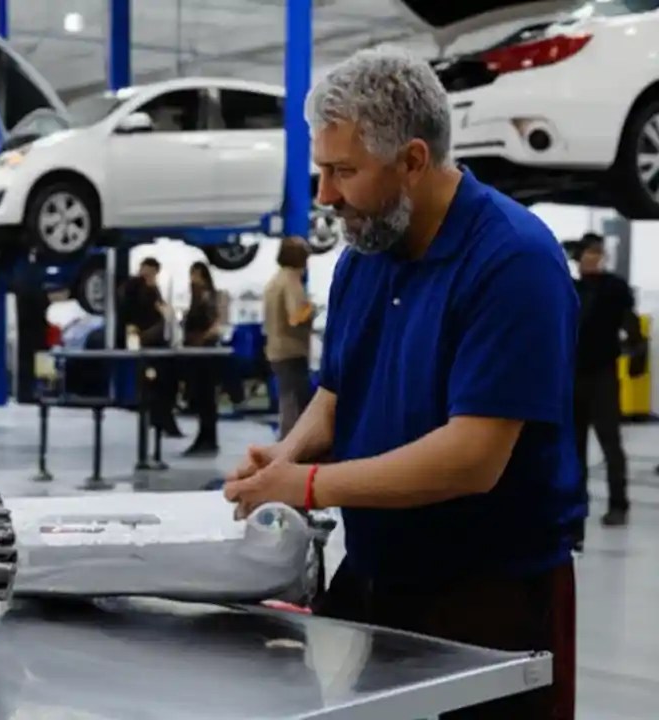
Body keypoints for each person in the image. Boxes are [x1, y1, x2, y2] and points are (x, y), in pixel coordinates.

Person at [223, 48, 580, 719]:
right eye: (322, 171)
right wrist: (289, 453)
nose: (325, 195)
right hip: (379, 579)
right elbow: (336, 394)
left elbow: (473, 458)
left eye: (344, 172)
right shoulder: (366, 257)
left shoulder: (512, 261)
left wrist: (307, 486)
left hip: (491, 599)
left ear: (413, 161)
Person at [572, 232, 644, 533]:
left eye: (597, 252)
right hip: (573, 374)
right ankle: (575, 500)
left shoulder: (615, 288)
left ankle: (618, 504)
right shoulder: (569, 288)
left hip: (603, 374)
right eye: (587, 252)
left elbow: (632, 327)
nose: (592, 257)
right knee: (573, 445)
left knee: (610, 442)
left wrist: (637, 359)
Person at [118, 257, 181, 436]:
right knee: (155, 383)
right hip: (148, 340)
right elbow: (129, 311)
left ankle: (158, 419)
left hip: (154, 340)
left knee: (157, 383)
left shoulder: (151, 289)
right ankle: (160, 419)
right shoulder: (135, 287)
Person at [262, 236, 315, 438]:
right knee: (295, 408)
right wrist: (312, 309)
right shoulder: (291, 280)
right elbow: (296, 316)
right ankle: (292, 452)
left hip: (276, 350)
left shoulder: (275, 280)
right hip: (292, 351)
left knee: (287, 403)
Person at [182, 261, 222, 456]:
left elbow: (214, 325)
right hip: (199, 352)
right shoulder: (198, 297)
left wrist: (200, 340)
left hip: (203, 352)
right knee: (204, 397)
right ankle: (206, 436)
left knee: (205, 396)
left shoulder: (204, 297)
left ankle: (207, 437)